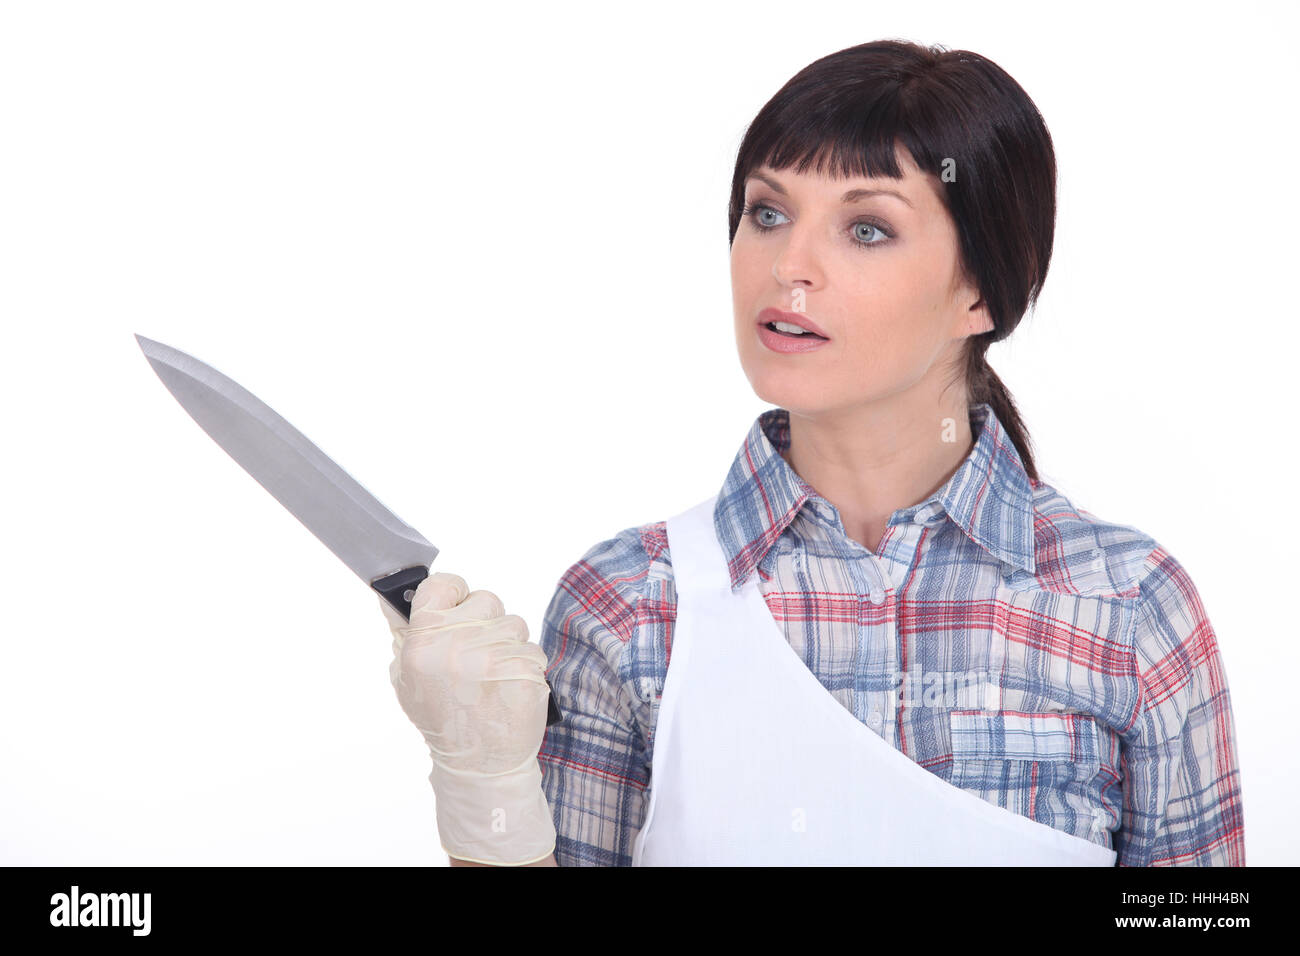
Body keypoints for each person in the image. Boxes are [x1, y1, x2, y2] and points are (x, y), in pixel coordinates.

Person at [383, 39, 1245, 867]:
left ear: (983, 288)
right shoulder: (629, 606)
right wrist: (483, 788)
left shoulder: (1129, 608)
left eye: (866, 228)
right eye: (767, 213)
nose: (788, 265)